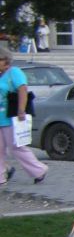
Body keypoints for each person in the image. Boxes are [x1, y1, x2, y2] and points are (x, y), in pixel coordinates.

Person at [0, 47, 48, 186]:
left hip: (11, 117)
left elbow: (22, 90)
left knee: (16, 147)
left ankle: (38, 170)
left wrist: (21, 110)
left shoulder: (14, 72)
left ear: (6, 61)